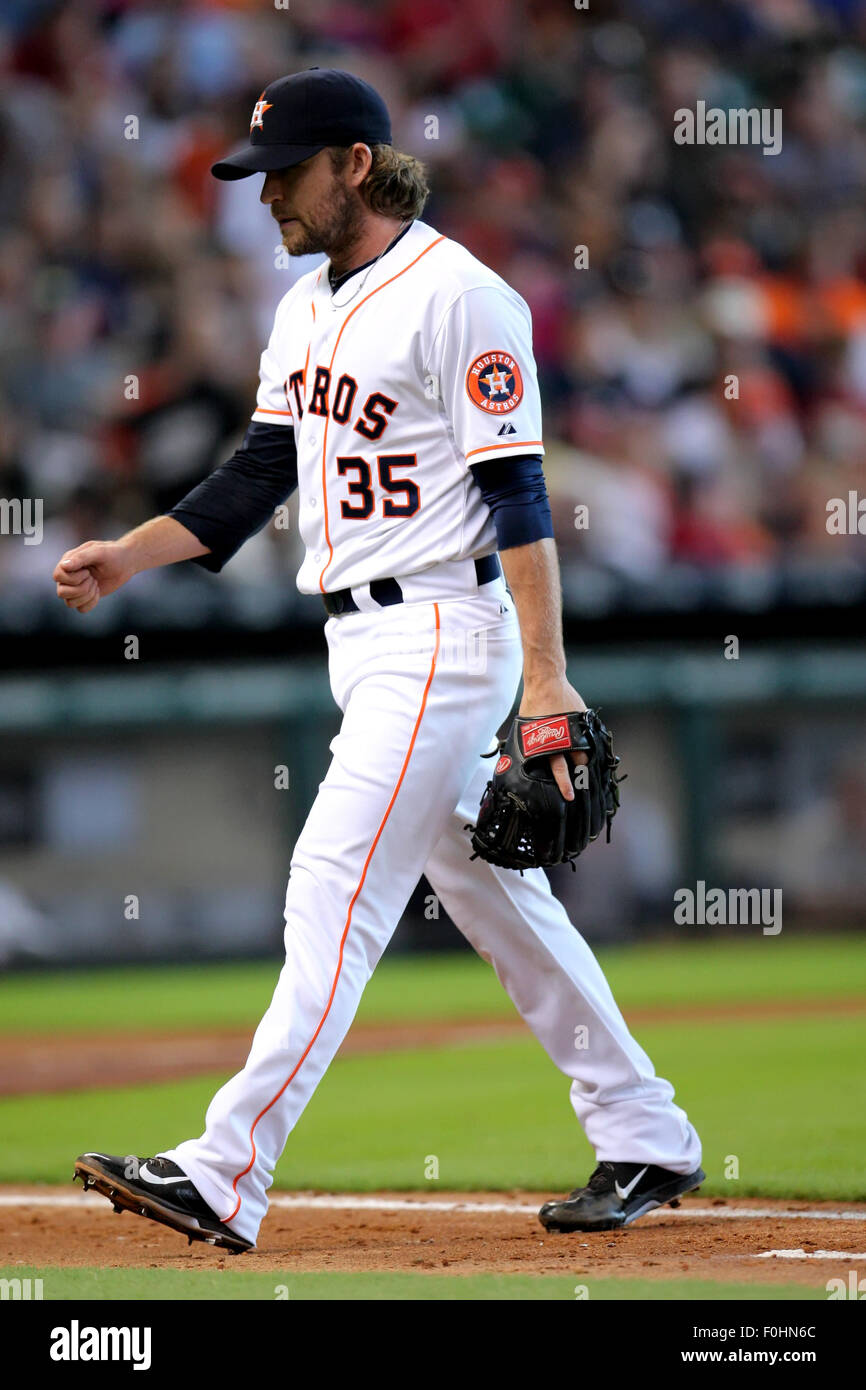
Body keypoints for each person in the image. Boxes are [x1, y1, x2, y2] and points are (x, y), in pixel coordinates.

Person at [55, 68, 702, 1253]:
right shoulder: (302, 306)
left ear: (355, 161)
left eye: (286, 174)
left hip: (445, 636)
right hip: (362, 640)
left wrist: (548, 678)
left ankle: (222, 1170)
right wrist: (129, 557)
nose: (267, 200)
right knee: (491, 889)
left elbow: (518, 497)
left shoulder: (464, 296)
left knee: (332, 887)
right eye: (257, 179)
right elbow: (256, 477)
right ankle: (646, 1130)